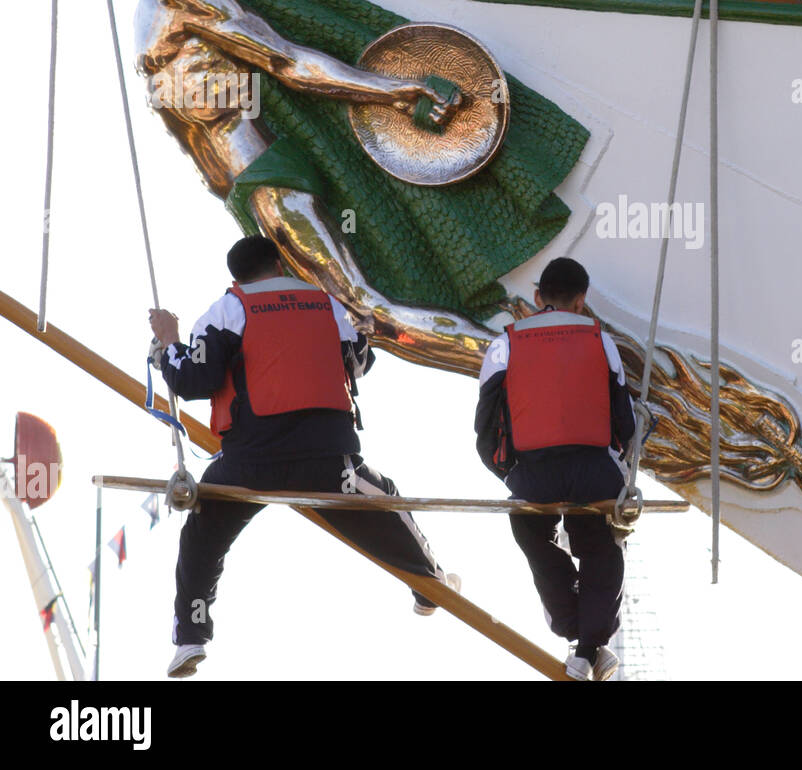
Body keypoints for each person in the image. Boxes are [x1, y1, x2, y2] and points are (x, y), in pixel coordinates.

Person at [149, 236, 458, 678]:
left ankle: (191, 638)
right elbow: (357, 366)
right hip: (329, 460)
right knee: (385, 502)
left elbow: (194, 381)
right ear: (279, 262)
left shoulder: (226, 310)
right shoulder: (327, 304)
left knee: (201, 540)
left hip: (248, 462)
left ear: (236, 278)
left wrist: (168, 343)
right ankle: (430, 585)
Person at [475, 257, 637, 681]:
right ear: (581, 302)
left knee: (530, 532)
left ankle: (574, 631)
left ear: (537, 297)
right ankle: (588, 646)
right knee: (603, 547)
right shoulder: (602, 341)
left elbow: (485, 424)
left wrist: (509, 473)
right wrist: (616, 465)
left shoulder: (505, 342)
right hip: (593, 467)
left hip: (534, 471)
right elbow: (627, 421)